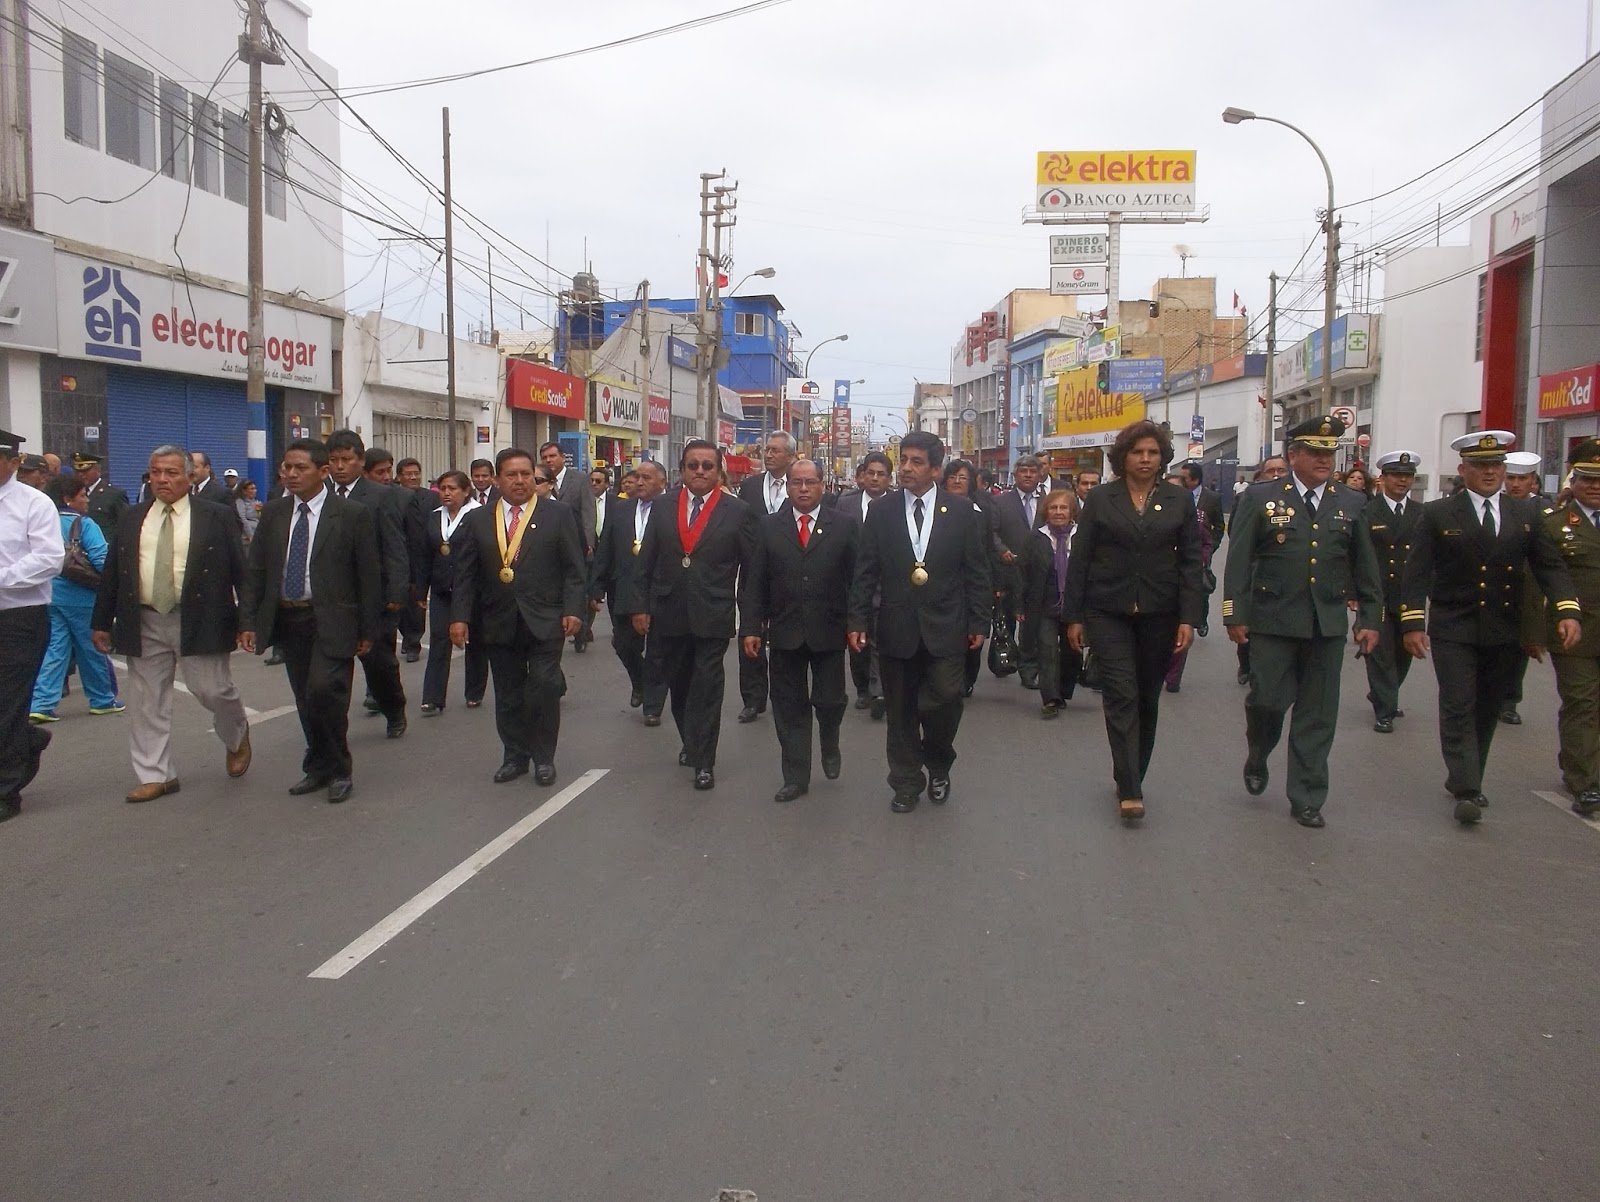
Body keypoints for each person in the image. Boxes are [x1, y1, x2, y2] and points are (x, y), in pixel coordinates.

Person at [1401, 431, 1579, 825]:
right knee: (1458, 703)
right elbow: (1416, 572)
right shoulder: (1438, 513)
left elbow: (1550, 566)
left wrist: (1567, 610)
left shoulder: (1526, 514)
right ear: (1463, 469)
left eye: (1496, 465)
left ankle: (1468, 772)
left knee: (1488, 706)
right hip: (1454, 624)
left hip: (1503, 626)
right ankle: (1468, 788)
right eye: (1480, 465)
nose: (1490, 472)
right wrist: (1412, 622)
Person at [1225, 415, 1383, 829]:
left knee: (1318, 714)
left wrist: (1370, 617)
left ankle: (1307, 795)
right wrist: (1234, 614)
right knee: (1268, 701)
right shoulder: (1260, 497)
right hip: (1272, 620)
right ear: (1293, 455)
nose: (1323, 460)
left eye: (1329, 453)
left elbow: (1365, 566)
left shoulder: (1351, 502)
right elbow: (1239, 560)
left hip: (1325, 623)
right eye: (1314, 452)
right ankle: (1258, 752)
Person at [91, 445, 252, 803]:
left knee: (213, 690)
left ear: (190, 477)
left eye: (171, 473)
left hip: (201, 618)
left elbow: (241, 569)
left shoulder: (215, 515)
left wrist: (248, 620)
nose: (162, 480)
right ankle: (156, 775)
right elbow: (114, 570)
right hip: (144, 619)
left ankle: (236, 734)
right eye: (155, 472)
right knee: (146, 700)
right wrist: (101, 620)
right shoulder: (132, 516)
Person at [1061, 422, 1201, 821]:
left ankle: (1133, 771)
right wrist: (1074, 616)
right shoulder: (1101, 499)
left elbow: (1191, 561)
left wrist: (1189, 617)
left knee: (1146, 697)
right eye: (1138, 452)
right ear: (1123, 457)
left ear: (1162, 458)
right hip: (1108, 610)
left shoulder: (1178, 500)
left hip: (1160, 612)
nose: (1145, 459)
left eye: (1153, 453)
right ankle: (1130, 786)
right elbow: (1081, 559)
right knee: (1121, 692)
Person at [848, 431, 991, 813]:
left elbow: (976, 571)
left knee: (945, 699)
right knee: (900, 710)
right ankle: (906, 781)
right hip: (897, 626)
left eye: (916, 462)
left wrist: (980, 622)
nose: (906, 469)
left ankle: (939, 762)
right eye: (904, 460)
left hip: (947, 625)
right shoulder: (882, 511)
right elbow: (865, 571)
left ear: (935, 469)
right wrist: (857, 618)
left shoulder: (961, 512)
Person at [241, 440, 381, 804]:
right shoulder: (274, 512)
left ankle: (340, 769)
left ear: (323, 472)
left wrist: (369, 629)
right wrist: (249, 620)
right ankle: (318, 766)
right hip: (290, 618)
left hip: (333, 619)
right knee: (305, 697)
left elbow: (368, 575)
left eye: (300, 468)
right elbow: (256, 570)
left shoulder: (350, 514)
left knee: (324, 691)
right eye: (286, 467)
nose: (290, 474)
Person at [626, 441, 757, 791]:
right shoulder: (663, 506)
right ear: (682, 470)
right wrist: (640, 606)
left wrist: (752, 620)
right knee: (680, 686)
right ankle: (691, 740)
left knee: (708, 688)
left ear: (719, 471)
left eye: (707, 466)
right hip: (669, 612)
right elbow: (646, 561)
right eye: (693, 465)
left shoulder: (737, 511)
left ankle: (704, 761)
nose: (700, 471)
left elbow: (751, 570)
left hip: (713, 614)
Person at [450, 450, 586, 788]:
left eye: (527, 474)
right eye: (512, 475)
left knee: (544, 686)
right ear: (497, 480)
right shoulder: (478, 519)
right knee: (508, 692)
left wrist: (573, 609)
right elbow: (465, 575)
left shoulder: (557, 514)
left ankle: (544, 757)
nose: (520, 481)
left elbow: (574, 568)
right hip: (498, 619)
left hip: (546, 618)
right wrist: (459, 618)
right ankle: (514, 756)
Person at [741, 459, 857, 803]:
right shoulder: (768, 527)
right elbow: (755, 581)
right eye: (796, 483)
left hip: (830, 630)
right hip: (785, 630)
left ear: (823, 485)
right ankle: (795, 776)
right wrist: (752, 626)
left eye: (810, 482)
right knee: (789, 706)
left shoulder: (844, 526)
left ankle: (830, 740)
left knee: (830, 700)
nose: (803, 489)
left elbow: (858, 580)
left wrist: (858, 623)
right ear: (788, 487)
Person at [1524, 439, 1600, 816]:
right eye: (1588, 478)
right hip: (1575, 633)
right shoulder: (1553, 524)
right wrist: (1533, 633)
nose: (1596, 486)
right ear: (1574, 479)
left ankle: (1577, 760)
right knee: (1582, 703)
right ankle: (1586, 783)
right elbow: (1537, 581)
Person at [325, 431, 408, 736]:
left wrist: (396, 590)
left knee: (378, 663)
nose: (339, 466)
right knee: (329, 671)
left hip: (373, 596)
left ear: (360, 461)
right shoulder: (319, 493)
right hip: (331, 596)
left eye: (346, 459)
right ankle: (331, 729)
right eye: (334, 460)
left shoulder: (380, 496)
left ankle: (394, 709)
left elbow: (393, 545)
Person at [0, 429, 63, 822]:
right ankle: (29, 739)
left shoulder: (33, 504)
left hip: (18, 617)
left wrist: (2, 578)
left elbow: (49, 559)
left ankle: (6, 791)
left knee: (7, 703)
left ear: (13, 462)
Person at [28, 473, 122, 723]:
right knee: (93, 649)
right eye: (82, 495)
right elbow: (101, 559)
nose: (87, 500)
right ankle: (102, 699)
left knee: (55, 649)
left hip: (50, 595)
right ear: (68, 499)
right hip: (83, 598)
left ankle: (41, 703)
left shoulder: (42, 523)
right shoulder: (84, 524)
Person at [589, 460, 668, 723]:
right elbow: (605, 549)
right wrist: (596, 587)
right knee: (623, 644)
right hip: (623, 588)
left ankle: (653, 706)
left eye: (647, 478)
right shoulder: (621, 510)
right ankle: (640, 679)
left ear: (662, 483)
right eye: (638, 477)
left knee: (657, 650)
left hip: (659, 590)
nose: (640, 482)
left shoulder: (671, 510)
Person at [735, 431, 800, 724]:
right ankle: (753, 698)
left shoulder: (800, 486)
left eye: (775, 450)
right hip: (753, 574)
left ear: (791, 456)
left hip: (789, 576)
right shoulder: (750, 487)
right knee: (750, 635)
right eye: (767, 449)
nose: (769, 454)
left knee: (787, 639)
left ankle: (786, 696)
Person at [1362, 451, 1423, 733]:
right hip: (1377, 595)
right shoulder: (1367, 512)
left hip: (1408, 595)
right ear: (1382, 478)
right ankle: (1384, 710)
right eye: (1397, 475)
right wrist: (1353, 592)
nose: (1402, 480)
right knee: (1380, 653)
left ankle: (1385, 693)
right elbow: (1357, 556)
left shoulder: (1421, 514)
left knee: (1403, 654)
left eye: (1408, 476)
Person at [415, 470, 485, 715]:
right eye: (443, 488)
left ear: (466, 491)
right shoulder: (434, 517)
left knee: (475, 640)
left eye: (452, 489)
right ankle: (433, 697)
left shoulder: (479, 515)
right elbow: (424, 555)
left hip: (473, 590)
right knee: (439, 639)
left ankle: (474, 691)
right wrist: (421, 591)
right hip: (442, 588)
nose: (446, 493)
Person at [834, 453, 893, 718]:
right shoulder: (845, 504)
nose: (875, 478)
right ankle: (862, 688)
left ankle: (878, 689)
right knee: (858, 640)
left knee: (880, 637)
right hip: (852, 583)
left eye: (881, 474)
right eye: (871, 473)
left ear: (889, 479)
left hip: (886, 584)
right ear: (862, 475)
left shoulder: (896, 505)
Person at [1231, 456, 1291, 688]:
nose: (1276, 475)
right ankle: (1246, 664)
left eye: (1281, 470)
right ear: (1261, 475)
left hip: (1284, 580)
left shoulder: (1296, 500)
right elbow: (1237, 535)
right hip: (1256, 573)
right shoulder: (1249, 498)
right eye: (1271, 471)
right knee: (1249, 628)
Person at [1022, 489, 1081, 718]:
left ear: (1072, 512)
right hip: (1044, 604)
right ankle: (1050, 698)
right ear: (1046, 512)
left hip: (1074, 605)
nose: (1058, 512)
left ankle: (1064, 691)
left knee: (1071, 651)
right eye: (1053, 508)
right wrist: (1019, 605)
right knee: (1047, 650)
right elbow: (1023, 572)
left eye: (1063, 508)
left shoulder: (1081, 536)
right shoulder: (1035, 538)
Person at [993, 454, 1051, 690]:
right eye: (1023, 471)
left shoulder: (1049, 501)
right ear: (1015, 474)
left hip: (1037, 573)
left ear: (1040, 475)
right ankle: (1005, 658)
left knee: (1031, 624)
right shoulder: (1000, 502)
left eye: (1032, 471)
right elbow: (991, 532)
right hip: (1008, 571)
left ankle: (1029, 670)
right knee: (1007, 620)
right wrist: (1001, 550)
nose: (1028, 475)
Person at [941, 458, 996, 696]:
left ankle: (968, 678)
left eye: (962, 477)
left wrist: (996, 584)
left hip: (974, 582)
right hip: (946, 583)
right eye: (952, 477)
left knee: (974, 633)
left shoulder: (982, 510)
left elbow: (990, 548)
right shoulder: (937, 508)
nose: (957, 481)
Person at [1500, 450, 1544, 724]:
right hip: (1496, 588)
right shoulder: (1495, 506)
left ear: (1533, 482)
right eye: (1511, 478)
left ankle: (1509, 701)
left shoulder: (1545, 512)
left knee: (1520, 649)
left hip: (1529, 592)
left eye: (1522, 479)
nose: (1515, 484)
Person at [1179, 461, 1224, 637]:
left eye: (1184, 478)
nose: (1181, 481)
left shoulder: (1212, 498)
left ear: (1195, 480)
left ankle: (1202, 619)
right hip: (1179, 551)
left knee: (1201, 588)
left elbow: (1219, 526)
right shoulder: (1176, 495)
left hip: (1202, 552)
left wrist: (1211, 547)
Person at [577, 466, 615, 652]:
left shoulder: (616, 503)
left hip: (609, 552)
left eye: (598, 481)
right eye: (591, 481)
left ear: (607, 484)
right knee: (588, 590)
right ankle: (585, 628)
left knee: (604, 591)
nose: (593, 484)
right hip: (589, 551)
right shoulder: (583, 501)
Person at [539, 442, 596, 556]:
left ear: (563, 457)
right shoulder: (539, 481)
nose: (548, 460)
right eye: (544, 458)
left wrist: (588, 542)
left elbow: (588, 512)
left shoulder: (580, 480)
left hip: (575, 540)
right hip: (547, 542)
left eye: (552, 456)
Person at [73, 451, 128, 539]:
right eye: (77, 471)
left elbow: (125, 525)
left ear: (98, 470)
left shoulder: (114, 494)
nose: (81, 474)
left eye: (85, 470)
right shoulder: (72, 493)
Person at [233, 478, 260, 544]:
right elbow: (242, 518)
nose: (255, 491)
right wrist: (250, 535)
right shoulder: (240, 502)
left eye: (255, 488)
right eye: (252, 489)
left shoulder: (256, 502)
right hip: (246, 538)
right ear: (244, 491)